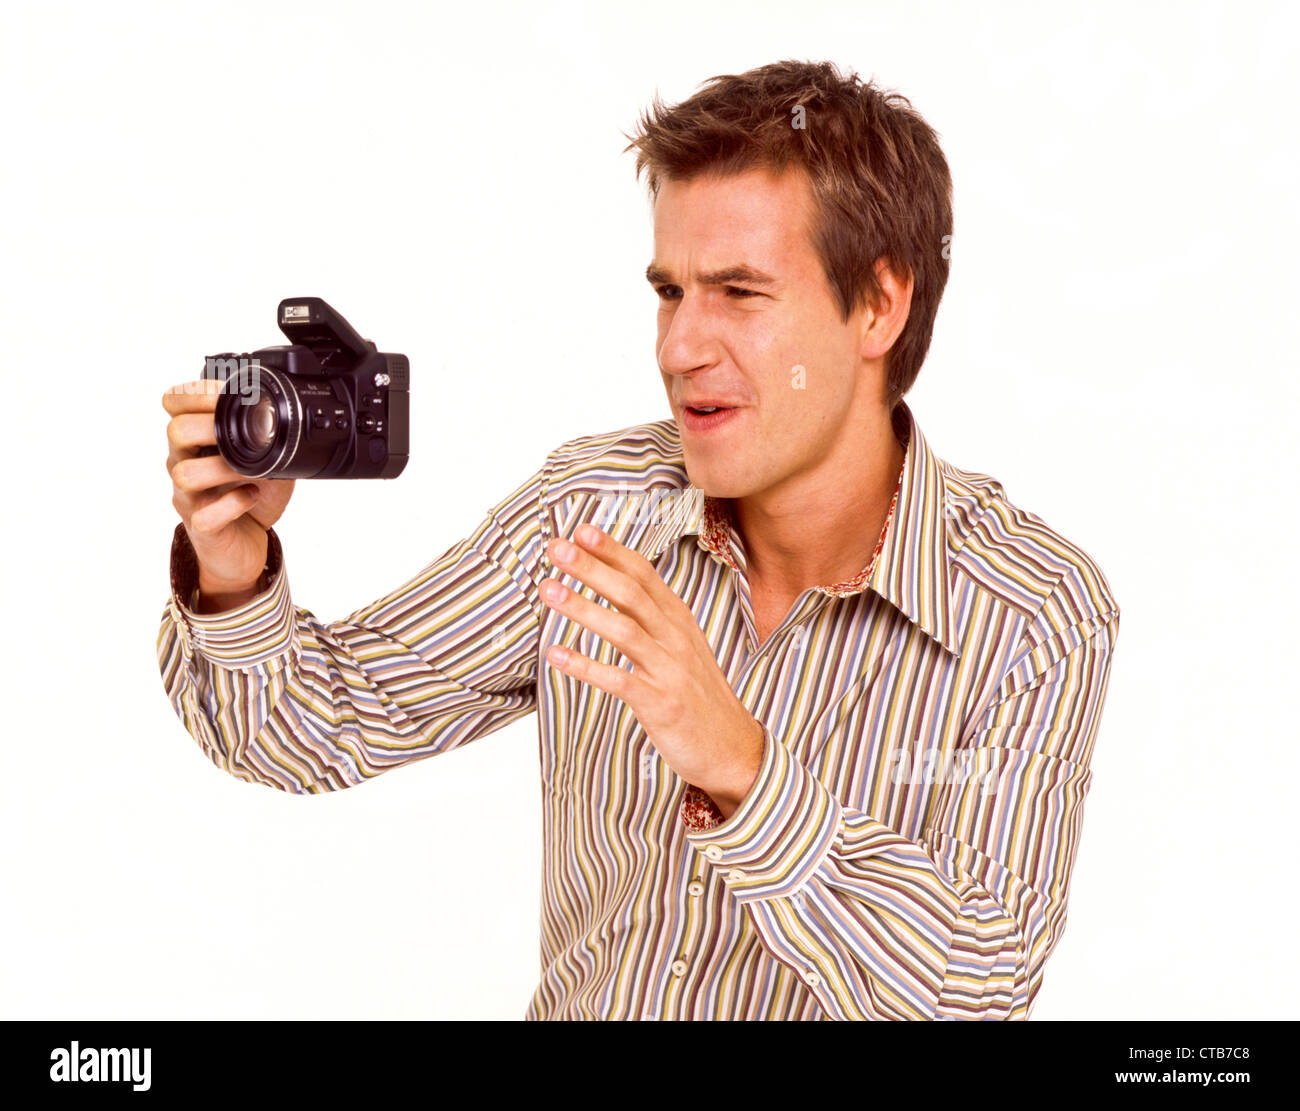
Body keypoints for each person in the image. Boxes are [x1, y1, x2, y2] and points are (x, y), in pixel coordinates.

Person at [158, 59, 1120, 1020]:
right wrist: (233, 574)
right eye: (670, 291)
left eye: (740, 293)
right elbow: (305, 729)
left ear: (879, 305)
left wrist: (742, 765)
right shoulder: (593, 510)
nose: (678, 347)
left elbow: (978, 989)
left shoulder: (1031, 610)